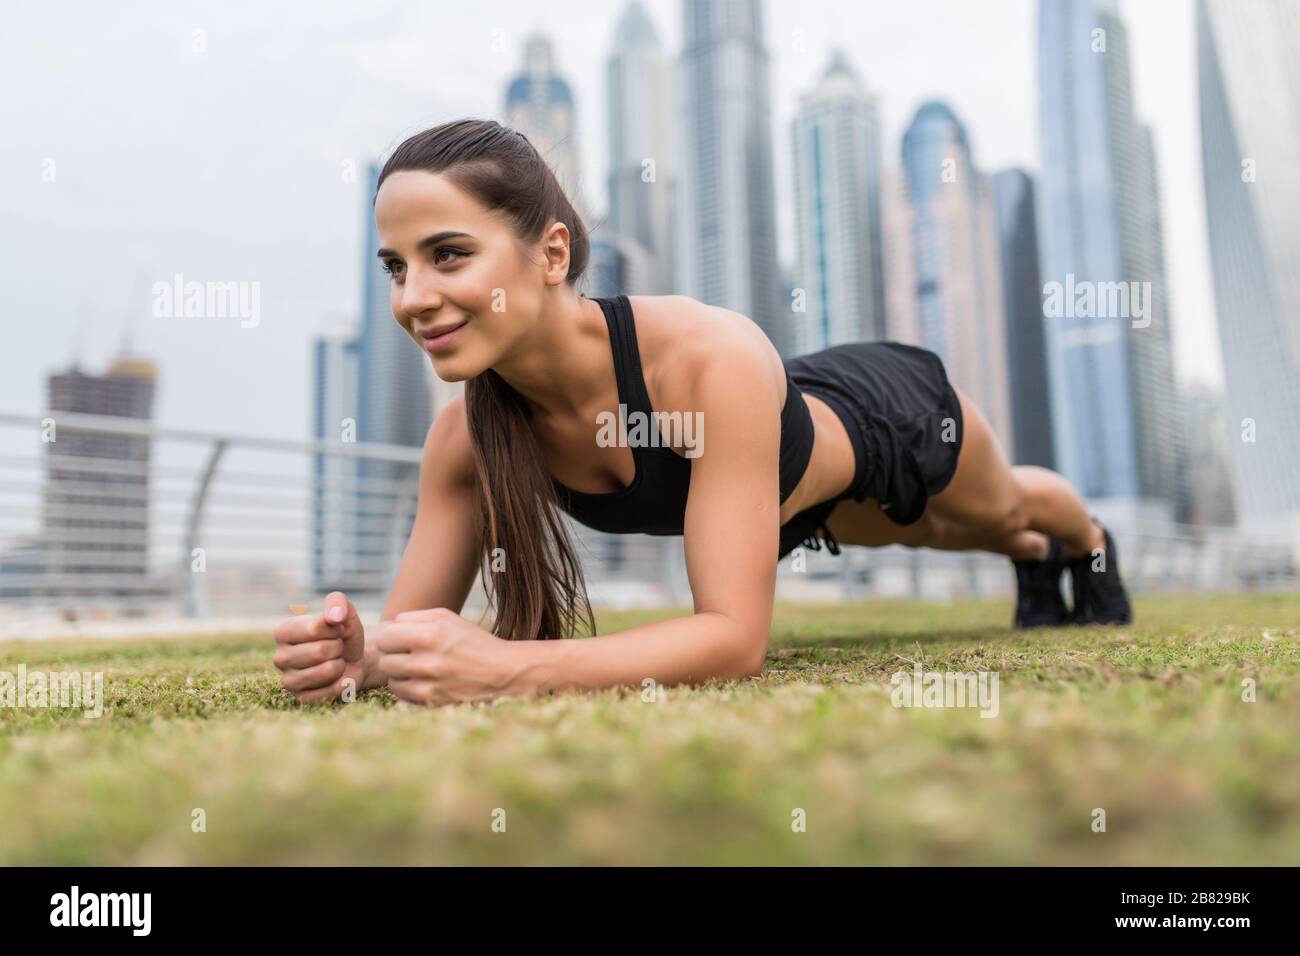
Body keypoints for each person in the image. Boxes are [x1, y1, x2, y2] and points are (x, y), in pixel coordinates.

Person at [272, 118, 1132, 708]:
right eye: (395, 267)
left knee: (1001, 508)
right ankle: (1028, 559)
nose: (414, 299)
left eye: (448, 255)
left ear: (552, 253)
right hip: (782, 503)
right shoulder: (466, 434)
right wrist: (366, 655)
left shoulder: (708, 359)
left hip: (879, 419)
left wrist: (510, 668)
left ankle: (1083, 541)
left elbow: (732, 641)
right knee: (929, 538)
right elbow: (412, 628)